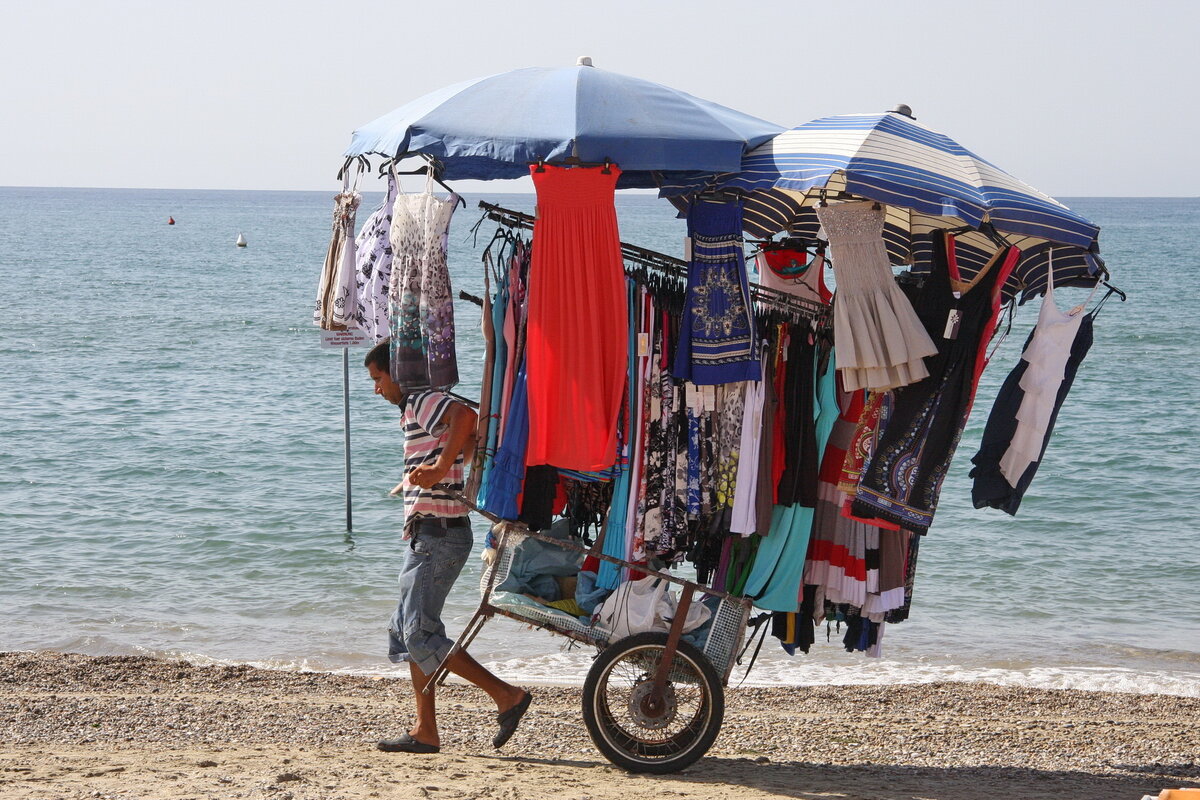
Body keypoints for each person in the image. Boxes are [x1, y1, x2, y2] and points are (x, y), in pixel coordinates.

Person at [365, 341, 531, 754]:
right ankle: (425, 730)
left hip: (440, 535)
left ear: (397, 373)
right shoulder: (414, 410)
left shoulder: (421, 399)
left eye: (378, 379)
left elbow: (465, 416)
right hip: (428, 533)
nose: (376, 389)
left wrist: (440, 468)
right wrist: (441, 466)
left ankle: (507, 696)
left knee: (419, 631)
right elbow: (469, 436)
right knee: (405, 632)